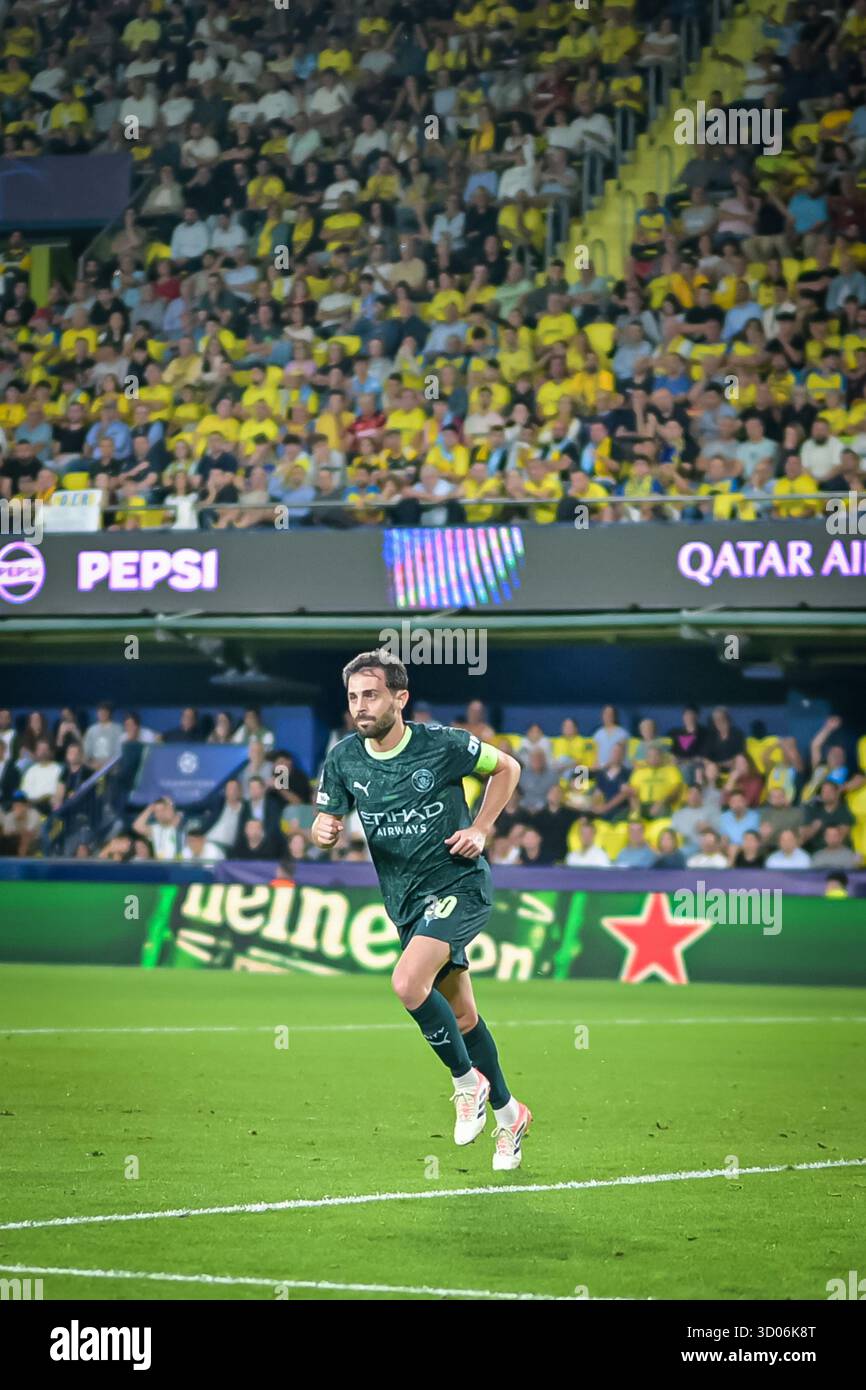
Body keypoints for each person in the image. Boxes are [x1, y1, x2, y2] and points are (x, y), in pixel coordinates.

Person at [311, 649, 531, 1171]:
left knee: (409, 983)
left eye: (371, 695)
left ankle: (465, 1083)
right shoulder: (344, 758)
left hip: (459, 884)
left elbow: (508, 768)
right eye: (353, 697)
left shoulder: (442, 745)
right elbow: (328, 817)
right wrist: (323, 829)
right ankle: (509, 1115)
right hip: (406, 901)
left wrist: (480, 828)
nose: (360, 707)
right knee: (462, 1015)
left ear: (399, 698)